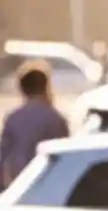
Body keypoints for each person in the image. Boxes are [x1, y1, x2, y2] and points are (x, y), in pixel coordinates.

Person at [1, 61, 69, 189]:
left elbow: (3, 154)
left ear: (22, 88)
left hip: (17, 181)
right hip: (47, 181)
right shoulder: (55, 118)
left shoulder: (14, 118)